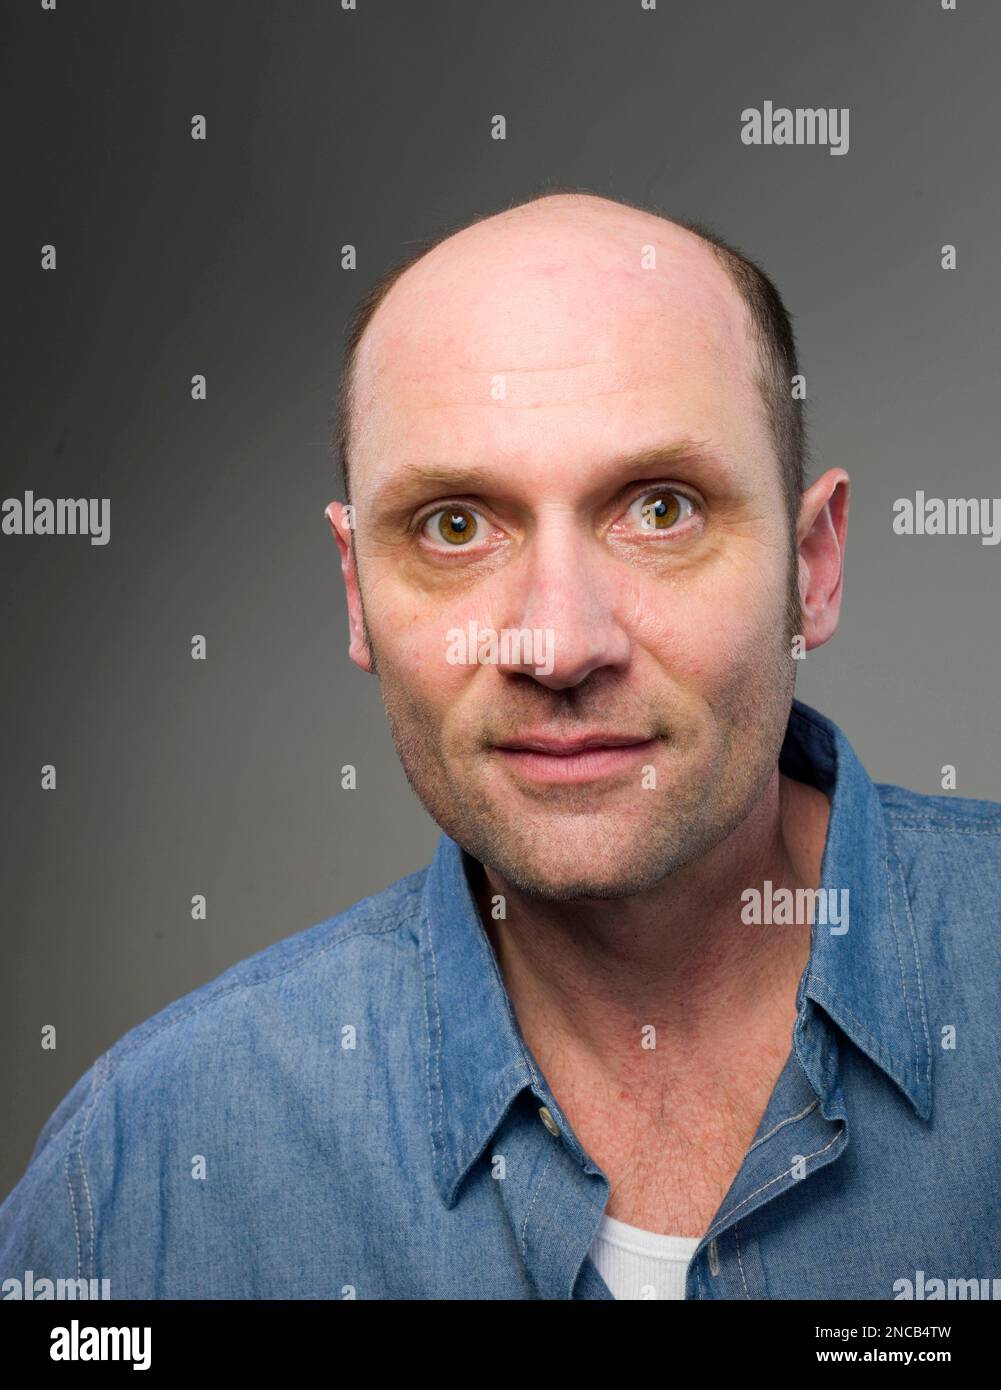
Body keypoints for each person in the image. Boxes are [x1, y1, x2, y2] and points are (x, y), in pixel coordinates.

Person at [2, 191, 999, 1301]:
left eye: (659, 509)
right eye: (455, 526)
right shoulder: (133, 1188)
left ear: (809, 567)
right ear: (356, 596)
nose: (557, 645)